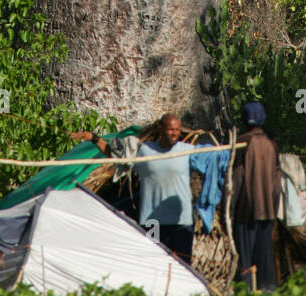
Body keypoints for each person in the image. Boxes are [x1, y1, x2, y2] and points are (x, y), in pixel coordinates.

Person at [74, 113, 208, 264]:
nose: (175, 133)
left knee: (184, 266)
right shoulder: (144, 150)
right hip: (152, 221)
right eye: (171, 129)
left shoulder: (188, 150)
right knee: (154, 264)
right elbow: (114, 153)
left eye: (177, 129)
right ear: (160, 129)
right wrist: (94, 138)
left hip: (181, 221)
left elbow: (213, 161)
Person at [230, 102, 281, 292]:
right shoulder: (272, 145)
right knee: (264, 256)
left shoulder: (241, 143)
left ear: (244, 120)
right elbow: (277, 184)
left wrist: (230, 207)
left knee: (244, 258)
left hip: (245, 211)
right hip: (267, 211)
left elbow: (236, 178)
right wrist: (274, 209)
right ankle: (267, 291)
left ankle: (244, 294)